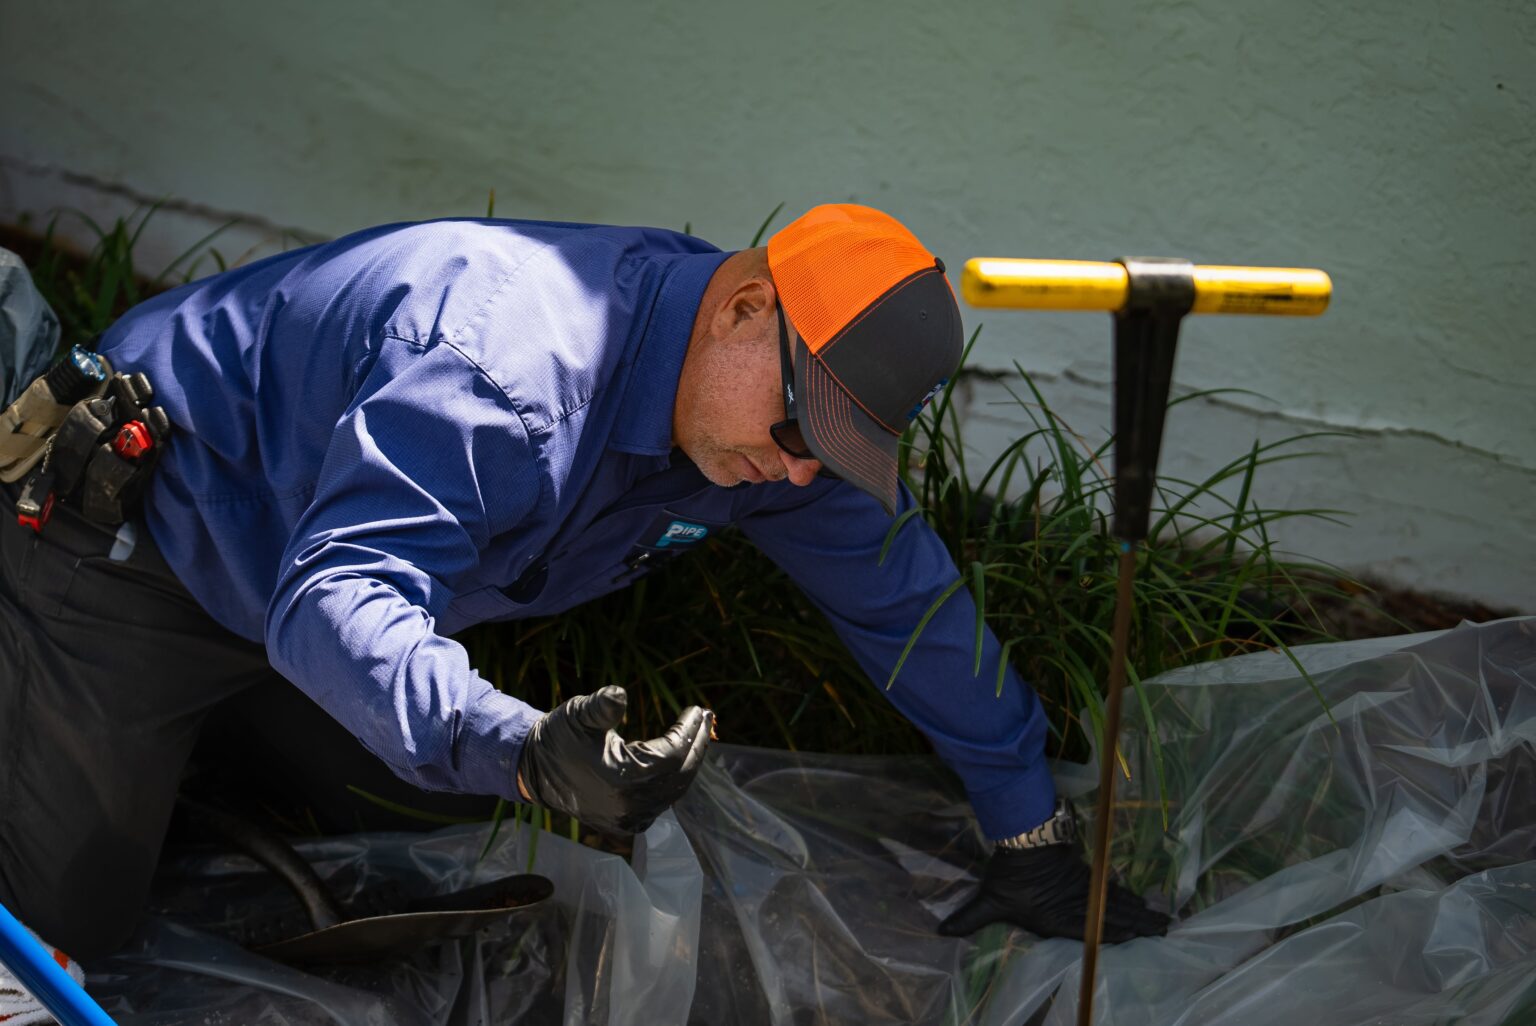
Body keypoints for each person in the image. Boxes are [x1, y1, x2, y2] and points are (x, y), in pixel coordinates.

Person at [0, 203, 1167, 971]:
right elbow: (334, 600)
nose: (801, 466)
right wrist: (517, 744)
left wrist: (1032, 825)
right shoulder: (501, 372)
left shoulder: (765, 436)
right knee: (63, 950)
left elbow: (906, 604)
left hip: (323, 586)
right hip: (134, 555)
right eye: (799, 424)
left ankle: (188, 761)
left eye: (837, 448)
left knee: (438, 852)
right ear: (747, 306)